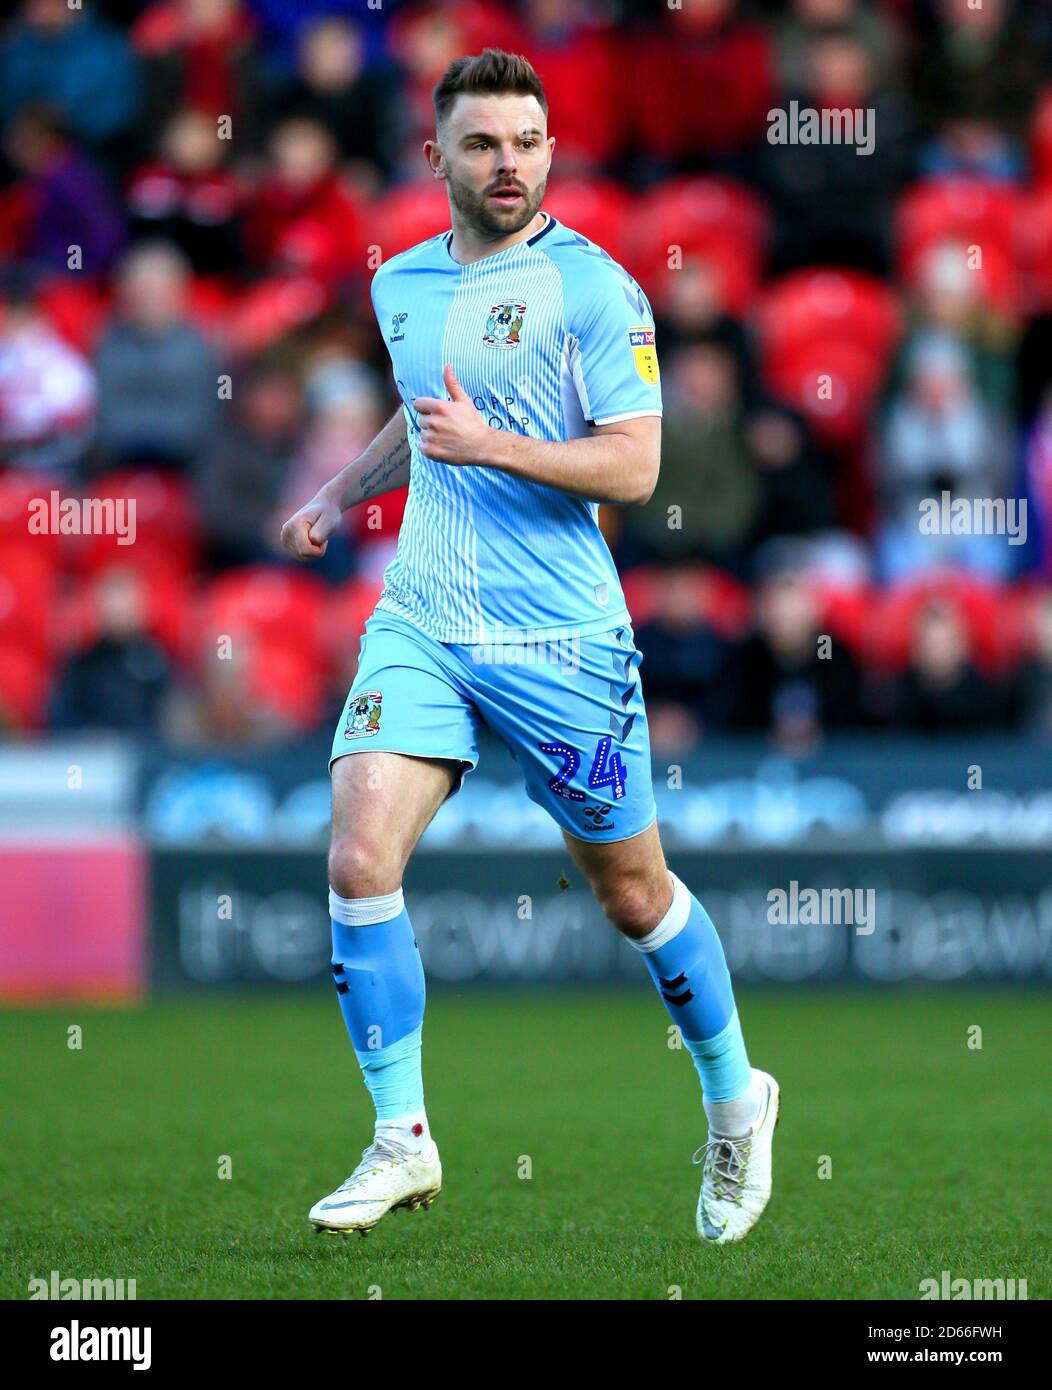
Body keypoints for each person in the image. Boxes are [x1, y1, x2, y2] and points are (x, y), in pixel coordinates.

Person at [281, 49, 779, 1246]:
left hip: (561, 638)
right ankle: (401, 1138)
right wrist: (340, 494)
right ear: (435, 158)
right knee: (357, 856)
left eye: (526, 142)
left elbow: (635, 465)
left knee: (631, 894)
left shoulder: (597, 291)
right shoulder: (399, 284)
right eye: (482, 145)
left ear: (551, 149)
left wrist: (495, 446)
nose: (507, 165)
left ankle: (733, 1101)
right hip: (424, 622)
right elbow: (424, 412)